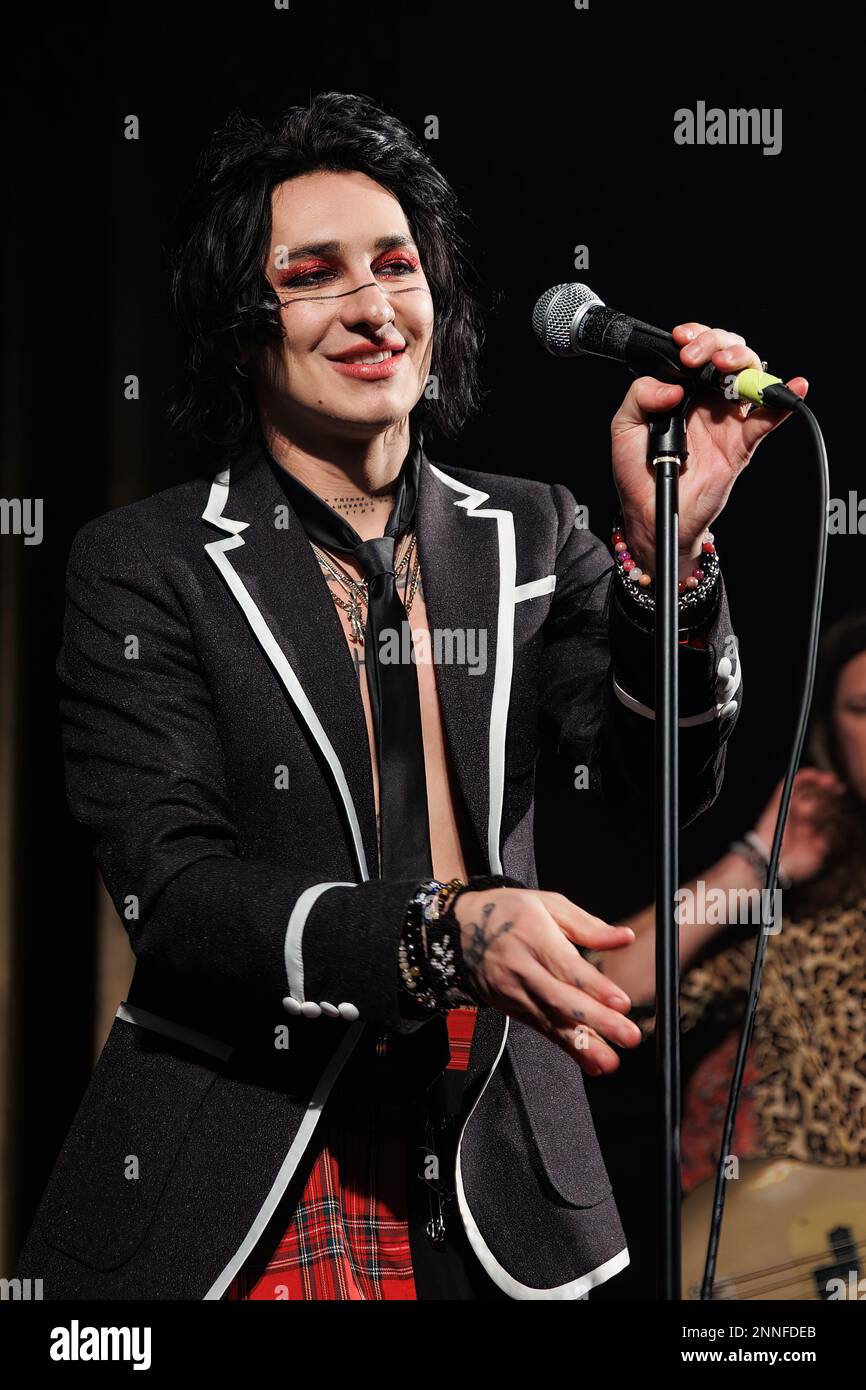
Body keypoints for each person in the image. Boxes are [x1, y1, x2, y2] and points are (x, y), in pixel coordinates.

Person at [15, 91, 806, 1301]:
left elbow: (661, 786)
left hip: (499, 1153)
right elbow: (176, 900)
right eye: (315, 273)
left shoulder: (533, 530)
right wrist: (446, 933)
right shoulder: (146, 562)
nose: (373, 306)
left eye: (397, 266)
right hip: (250, 1148)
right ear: (243, 326)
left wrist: (666, 554)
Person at [588, 610, 866, 1221]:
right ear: (830, 732)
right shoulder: (798, 918)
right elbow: (607, 985)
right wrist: (757, 862)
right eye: (863, 710)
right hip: (802, 1258)